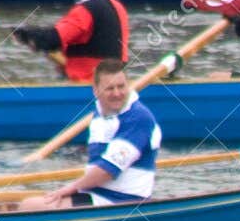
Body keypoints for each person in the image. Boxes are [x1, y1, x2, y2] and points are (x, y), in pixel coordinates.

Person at [19, 60, 158, 209]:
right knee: (25, 201)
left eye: (121, 86)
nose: (117, 93)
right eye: (110, 88)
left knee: (30, 206)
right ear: (96, 90)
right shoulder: (100, 114)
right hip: (98, 194)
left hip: (122, 201)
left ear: (128, 85)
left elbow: (108, 170)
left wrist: (72, 187)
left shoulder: (138, 118)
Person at [11, 0, 129, 83]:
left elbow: (54, 38)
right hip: (117, 83)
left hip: (88, 85)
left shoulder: (85, 10)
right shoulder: (119, 8)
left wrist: (26, 35)